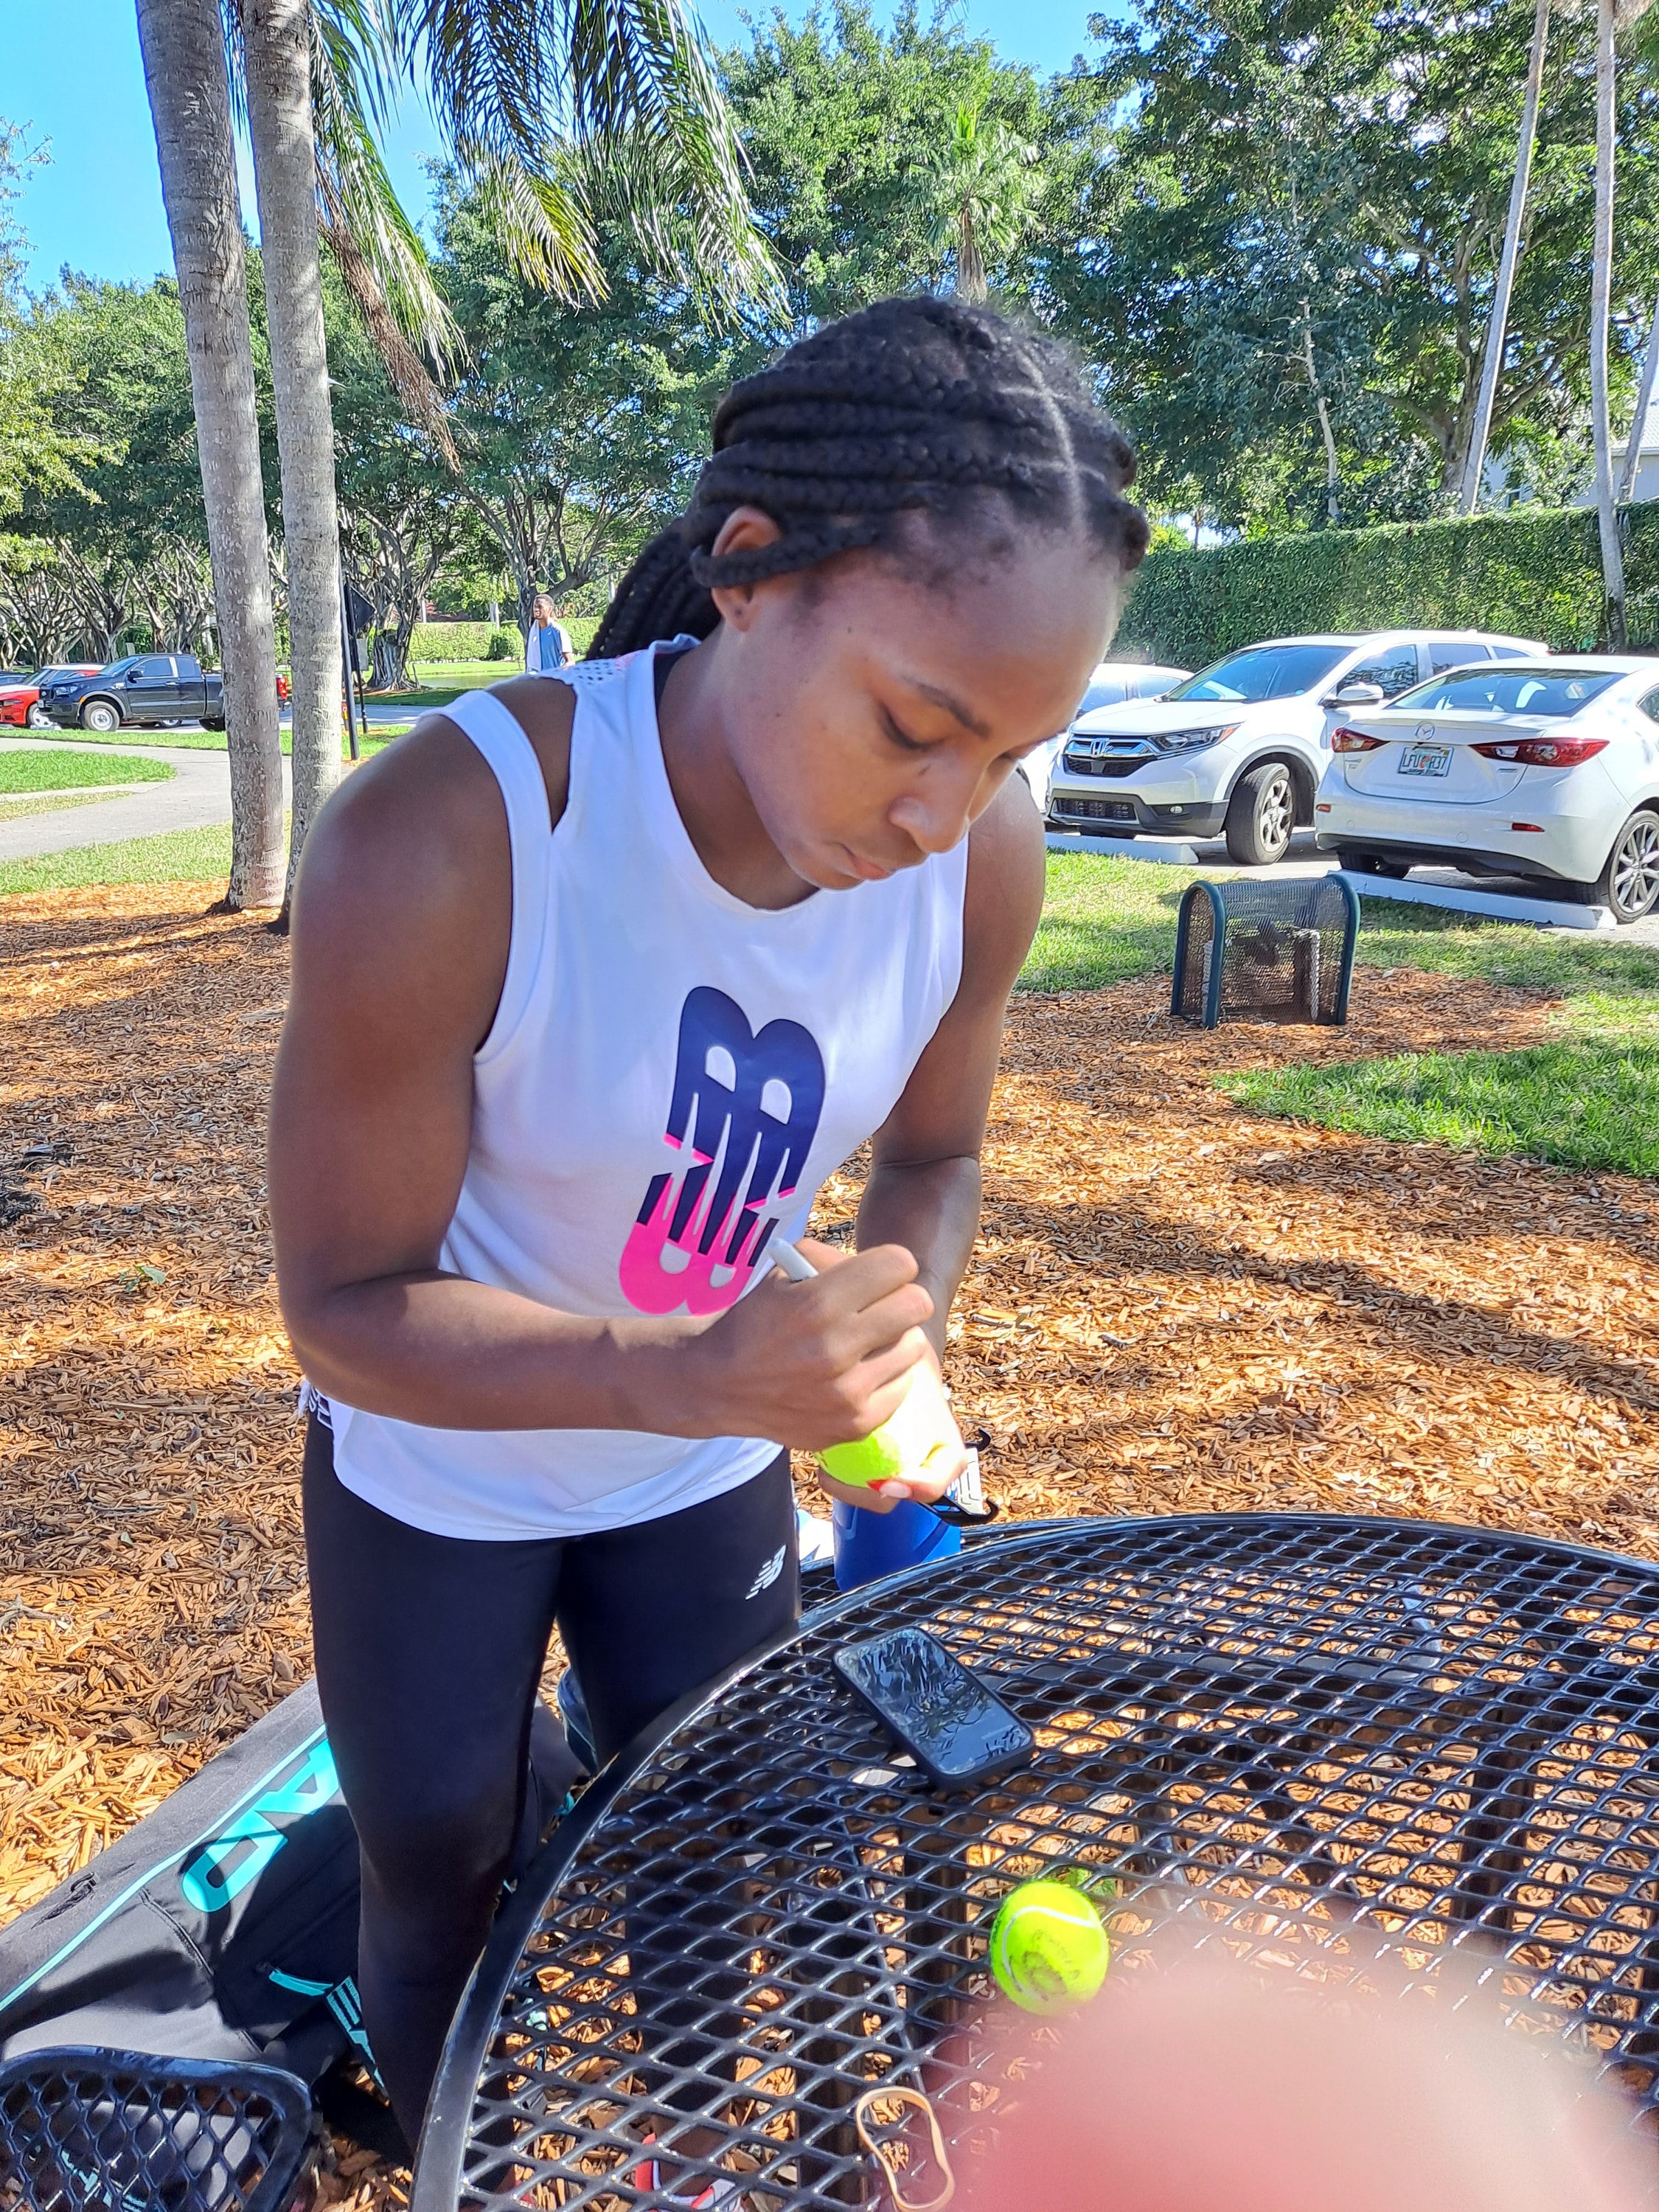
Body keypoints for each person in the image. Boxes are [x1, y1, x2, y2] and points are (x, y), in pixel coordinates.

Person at [268, 294, 1148, 2158]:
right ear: (748, 571)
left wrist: (881, 1330)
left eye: (1003, 754)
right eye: (913, 724)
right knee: (439, 1863)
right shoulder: (451, 835)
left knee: (715, 1829)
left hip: (709, 1444)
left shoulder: (978, 855)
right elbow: (341, 1307)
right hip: (446, 1463)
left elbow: (939, 1154)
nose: (941, 810)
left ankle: (700, 2162)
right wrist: (692, 1367)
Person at [525, 591, 574, 672]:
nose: (536, 610)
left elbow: (570, 662)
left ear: (550, 609)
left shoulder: (558, 631)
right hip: (538, 680)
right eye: (535, 607)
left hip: (554, 680)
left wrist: (559, 675)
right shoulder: (533, 632)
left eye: (540, 607)